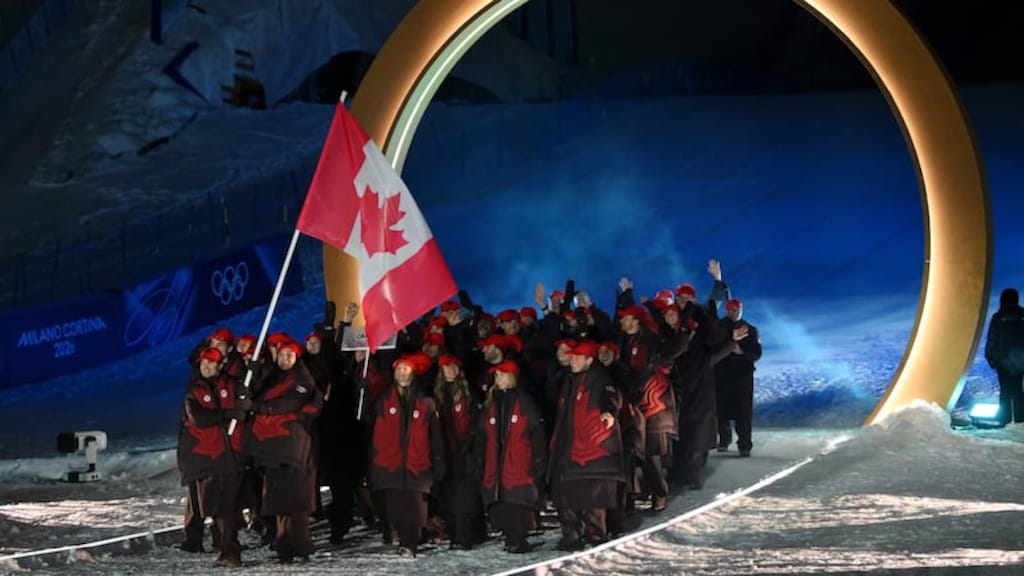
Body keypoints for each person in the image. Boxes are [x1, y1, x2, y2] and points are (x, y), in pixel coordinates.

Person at [245, 340, 323, 563]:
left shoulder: (303, 380)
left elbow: (289, 403)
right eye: (282, 355)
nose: (285, 359)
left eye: (290, 355)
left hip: (292, 447)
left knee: (294, 499)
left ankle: (299, 544)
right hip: (272, 448)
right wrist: (254, 372)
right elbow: (254, 393)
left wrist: (261, 408)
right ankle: (284, 543)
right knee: (279, 500)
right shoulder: (272, 377)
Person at [546, 341, 625, 550]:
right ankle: (571, 536)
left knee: (592, 498)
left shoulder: (600, 379)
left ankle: (595, 536)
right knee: (566, 495)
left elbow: (611, 397)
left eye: (576, 356)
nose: (571, 359)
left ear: (589, 360)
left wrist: (609, 412)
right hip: (568, 450)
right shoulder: (570, 379)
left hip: (591, 453)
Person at [368, 352, 446, 556]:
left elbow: (435, 436)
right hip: (390, 464)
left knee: (416, 509)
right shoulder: (383, 399)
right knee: (397, 508)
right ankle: (406, 542)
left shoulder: (426, 402)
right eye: (399, 369)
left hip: (417, 465)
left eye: (406, 369)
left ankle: (412, 541)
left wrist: (439, 460)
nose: (402, 373)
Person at [176, 347, 248, 567]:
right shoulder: (194, 390)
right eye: (204, 363)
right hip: (207, 460)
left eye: (211, 363)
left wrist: (243, 405)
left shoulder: (231, 385)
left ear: (220, 365)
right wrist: (227, 414)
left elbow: (246, 399)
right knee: (216, 508)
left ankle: (229, 550)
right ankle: (226, 548)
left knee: (226, 507)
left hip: (231, 458)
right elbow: (199, 418)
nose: (206, 367)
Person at [475, 359, 547, 553]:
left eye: (501, 375)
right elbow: (481, 434)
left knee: (517, 502)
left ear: (512, 377)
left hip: (518, 463)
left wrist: (538, 460)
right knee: (502, 503)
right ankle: (511, 537)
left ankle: (518, 538)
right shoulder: (492, 403)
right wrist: (480, 459)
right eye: (496, 376)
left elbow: (537, 433)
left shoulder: (524, 402)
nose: (497, 379)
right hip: (496, 464)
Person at [714, 299, 762, 455]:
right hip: (721, 375)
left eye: (736, 310)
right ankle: (724, 439)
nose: (733, 313)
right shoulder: (718, 328)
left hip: (742, 377)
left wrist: (742, 352)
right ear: (726, 311)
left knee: (743, 412)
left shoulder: (751, 330)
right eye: (731, 310)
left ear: (741, 311)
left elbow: (757, 353)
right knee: (720, 411)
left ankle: (744, 445)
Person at [984, 288, 1024, 424]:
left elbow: (992, 338)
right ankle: (1020, 418)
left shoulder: (998, 317)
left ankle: (1005, 418)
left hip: (1002, 360)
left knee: (1005, 390)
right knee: (1018, 389)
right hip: (1021, 360)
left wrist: (990, 357)